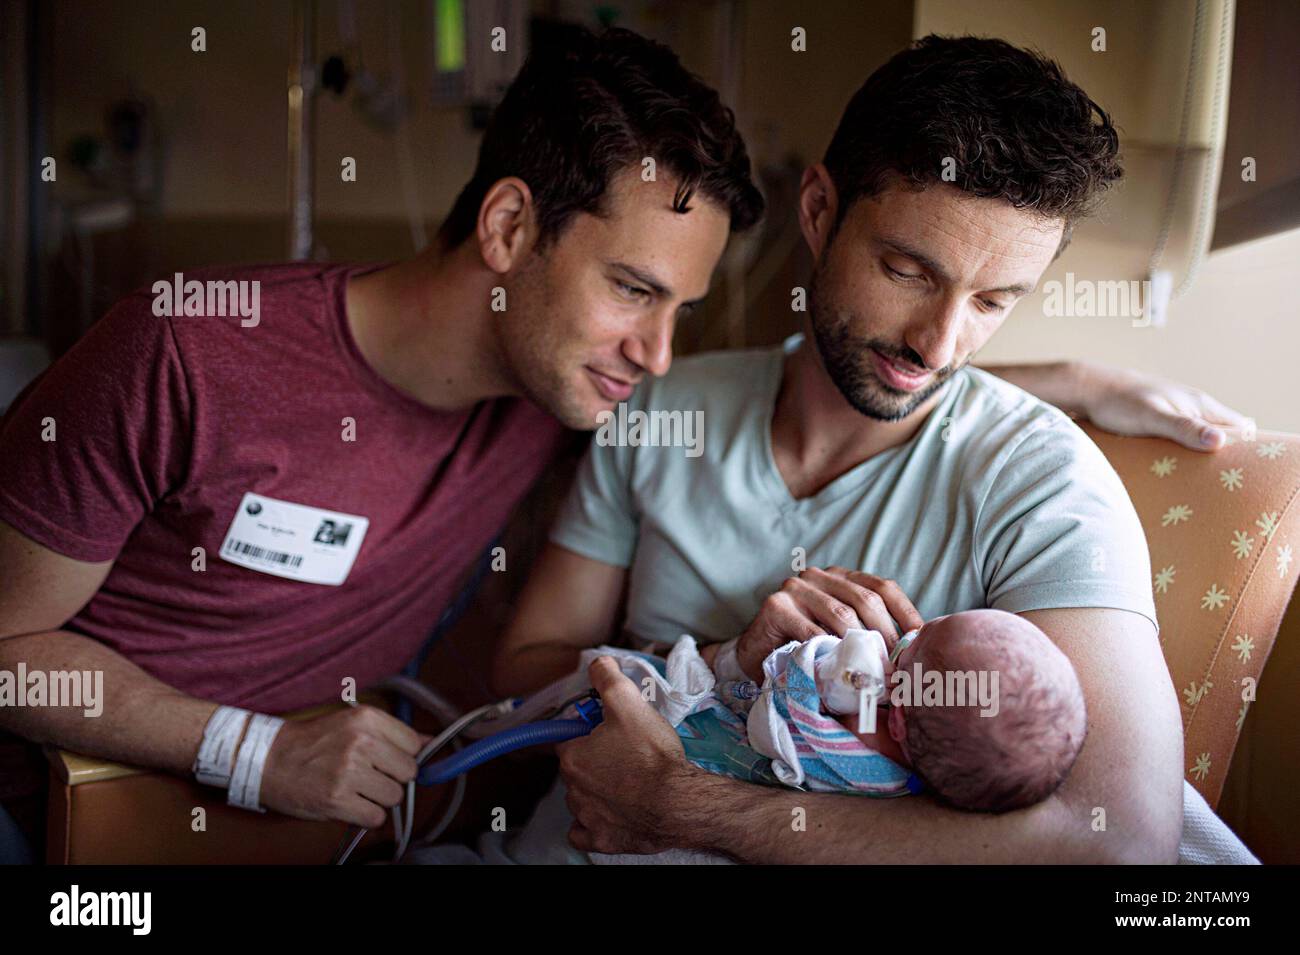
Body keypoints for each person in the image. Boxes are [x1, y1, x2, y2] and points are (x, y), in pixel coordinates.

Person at [0, 27, 1246, 851]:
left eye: (682, 310)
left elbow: (880, 378)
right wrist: (249, 748)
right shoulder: (185, 350)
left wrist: (1058, 379)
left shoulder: (580, 395)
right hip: (72, 805)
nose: (656, 352)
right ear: (505, 229)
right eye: (634, 292)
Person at [489, 34, 1236, 864]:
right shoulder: (662, 412)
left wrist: (685, 809)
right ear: (818, 209)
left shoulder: (1046, 488)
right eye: (909, 270)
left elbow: (1122, 845)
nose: (939, 343)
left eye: (993, 300)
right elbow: (521, 673)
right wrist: (717, 659)